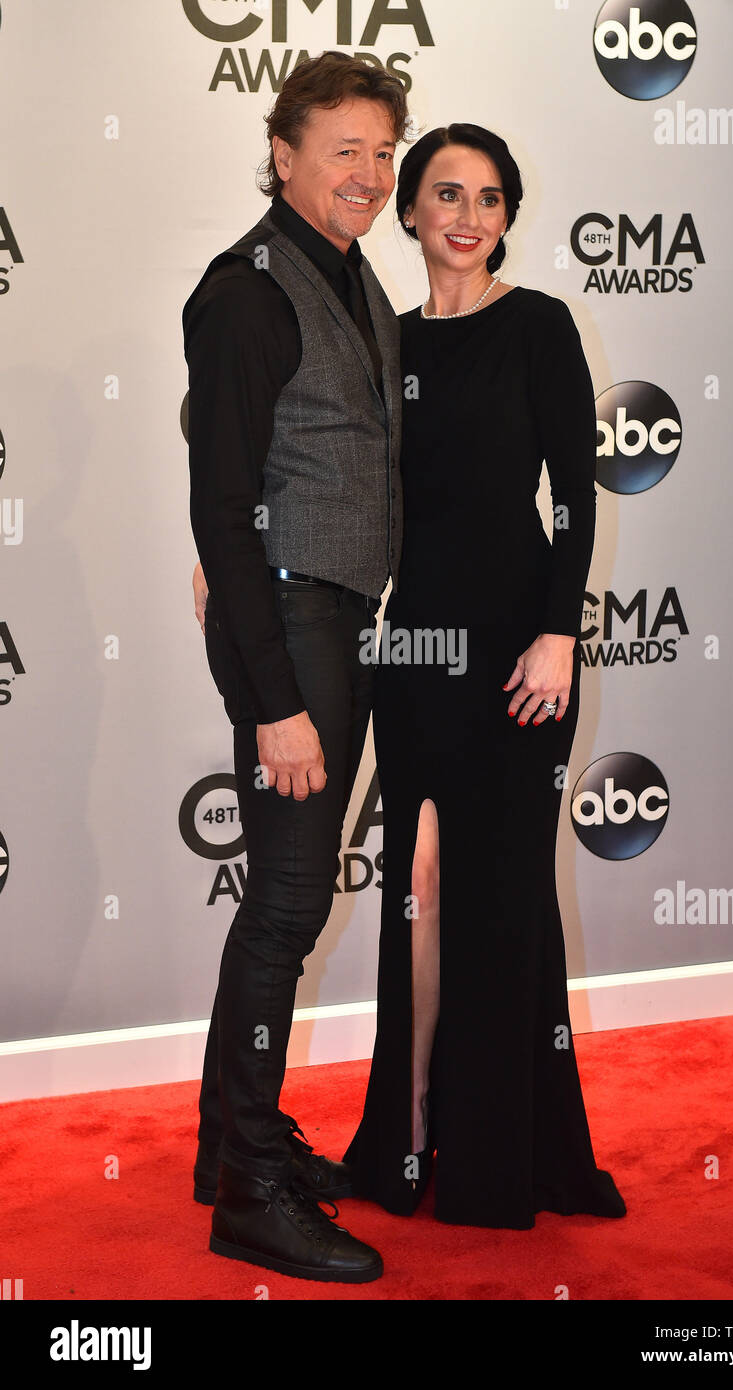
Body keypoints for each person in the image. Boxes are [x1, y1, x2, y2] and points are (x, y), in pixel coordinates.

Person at [343, 124, 627, 1229]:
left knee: (500, 895)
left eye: (489, 198)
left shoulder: (540, 325)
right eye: (445, 193)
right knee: (414, 888)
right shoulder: (385, 339)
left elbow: (577, 495)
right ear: (408, 208)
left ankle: (501, 1156)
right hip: (411, 650)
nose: (466, 215)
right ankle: (409, 1129)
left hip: (516, 652)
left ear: (508, 216)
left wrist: (559, 634)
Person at [183, 52, 409, 1282]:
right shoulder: (250, 291)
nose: (370, 175)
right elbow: (222, 507)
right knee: (282, 906)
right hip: (289, 623)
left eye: (383, 152)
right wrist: (272, 702)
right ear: (282, 154)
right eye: (344, 150)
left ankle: (233, 1144)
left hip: (336, 615)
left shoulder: (350, 276)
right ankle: (252, 1194)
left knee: (283, 904)